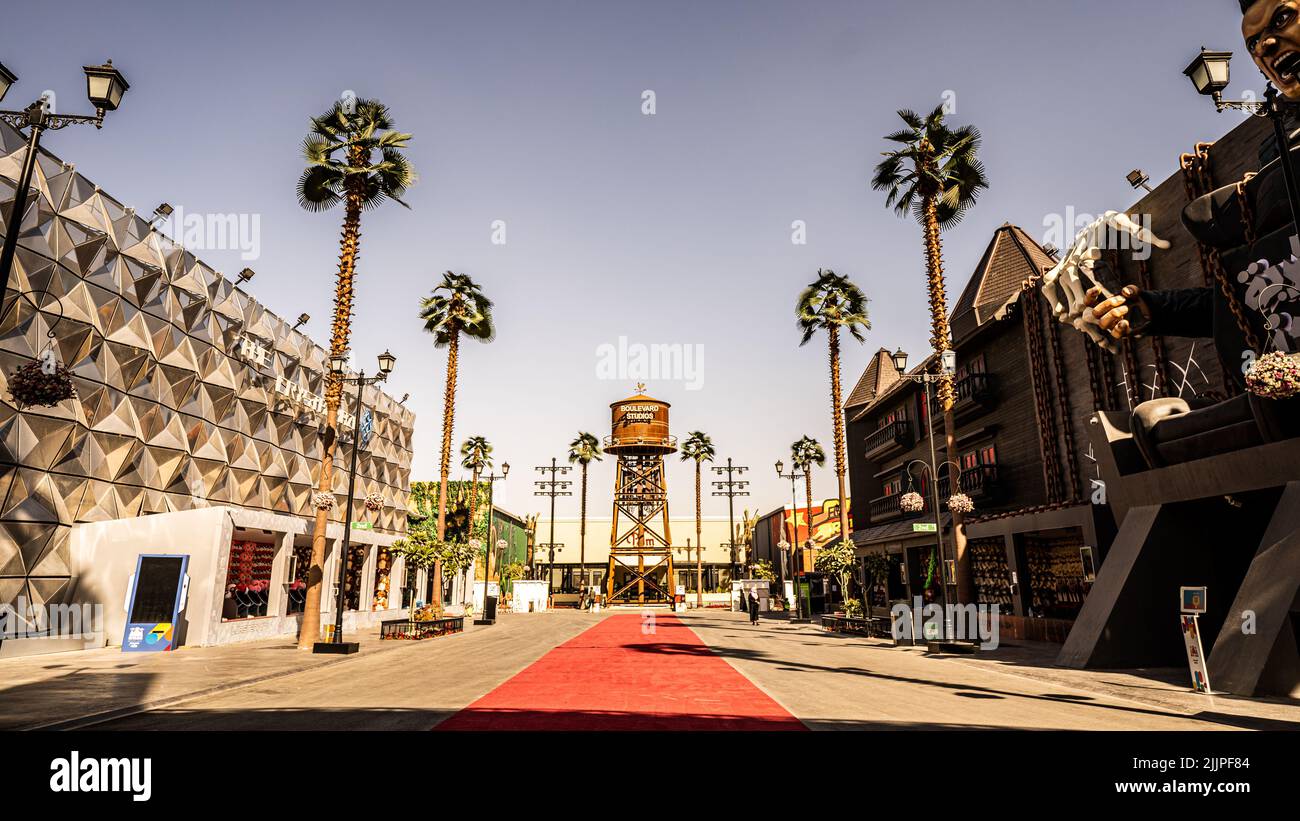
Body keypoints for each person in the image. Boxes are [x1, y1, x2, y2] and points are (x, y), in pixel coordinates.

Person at [1087, 0, 1300, 376]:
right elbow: (1256, 297)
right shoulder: (1276, 152)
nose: (1266, 47)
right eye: (1254, 44)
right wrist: (1156, 309)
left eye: (1283, 19)